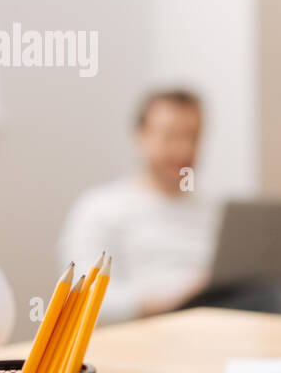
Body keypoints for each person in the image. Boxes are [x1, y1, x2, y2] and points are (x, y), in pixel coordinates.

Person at [58, 89, 218, 323]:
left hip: (216, 323)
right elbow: (83, 298)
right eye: (170, 136)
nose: (183, 149)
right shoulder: (100, 208)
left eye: (192, 137)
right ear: (140, 137)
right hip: (147, 330)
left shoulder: (213, 210)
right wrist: (166, 299)